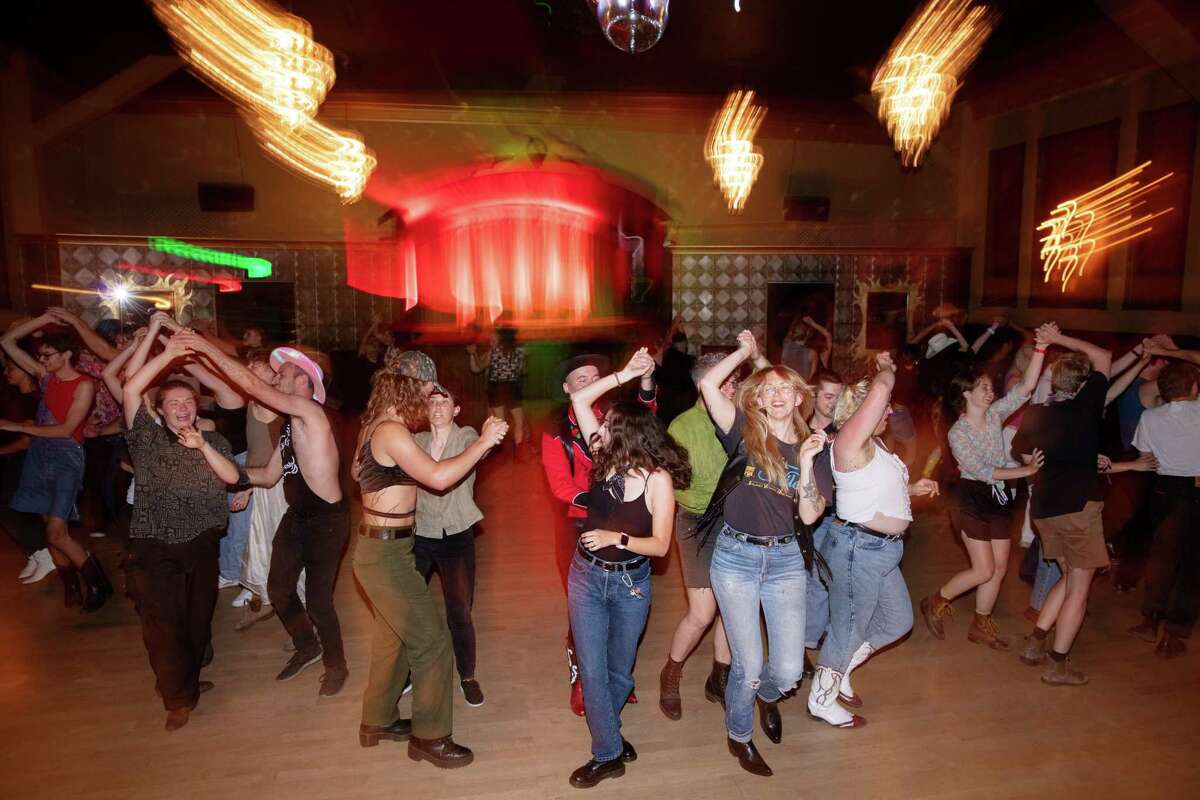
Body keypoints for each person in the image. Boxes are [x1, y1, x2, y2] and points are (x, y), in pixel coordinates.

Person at [174, 332, 351, 697]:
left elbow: (253, 385)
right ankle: (307, 646)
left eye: (283, 373)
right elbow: (268, 476)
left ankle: (337, 665)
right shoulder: (289, 425)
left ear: (303, 379)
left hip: (326, 521)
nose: (276, 378)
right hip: (297, 516)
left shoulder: (311, 413)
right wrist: (213, 457)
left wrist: (202, 346)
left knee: (318, 601)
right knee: (278, 589)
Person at [352, 370, 506, 768]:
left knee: (392, 640)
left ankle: (378, 720)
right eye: (423, 396)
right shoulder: (393, 431)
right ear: (406, 396)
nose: (429, 405)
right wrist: (488, 440)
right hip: (386, 556)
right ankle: (430, 737)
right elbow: (438, 479)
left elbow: (357, 472)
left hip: (388, 547)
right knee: (433, 642)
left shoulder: (374, 427)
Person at [697, 331, 827, 777]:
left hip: (786, 562)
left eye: (784, 387)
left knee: (788, 671)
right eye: (767, 387)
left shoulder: (812, 447)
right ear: (757, 397)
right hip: (735, 558)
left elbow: (809, 516)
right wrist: (746, 353)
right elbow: (709, 387)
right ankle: (739, 737)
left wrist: (807, 465)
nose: (775, 394)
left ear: (797, 398)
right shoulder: (742, 431)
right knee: (748, 665)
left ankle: (768, 697)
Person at [566, 347, 689, 788]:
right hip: (585, 578)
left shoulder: (659, 481)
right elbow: (580, 402)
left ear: (629, 435)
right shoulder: (604, 457)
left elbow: (659, 546)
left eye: (610, 426)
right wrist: (627, 373)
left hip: (630, 585)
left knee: (619, 670)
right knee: (593, 669)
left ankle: (610, 735)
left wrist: (616, 538)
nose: (599, 429)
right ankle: (608, 753)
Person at [807, 351, 938, 729]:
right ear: (863, 408)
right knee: (848, 629)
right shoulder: (847, 441)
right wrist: (885, 369)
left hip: (882, 551)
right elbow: (881, 388)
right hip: (857, 551)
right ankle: (822, 698)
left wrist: (911, 488)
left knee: (898, 622)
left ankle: (841, 668)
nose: (889, 414)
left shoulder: (875, 445)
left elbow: (869, 491)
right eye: (883, 409)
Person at [121, 334, 242, 731]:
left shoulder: (213, 440)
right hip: (156, 545)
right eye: (173, 403)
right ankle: (177, 697)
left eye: (188, 402)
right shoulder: (146, 438)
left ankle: (182, 680)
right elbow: (131, 386)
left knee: (196, 618)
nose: (182, 408)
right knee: (163, 620)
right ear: (159, 411)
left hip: (203, 541)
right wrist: (168, 353)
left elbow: (230, 478)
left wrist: (202, 447)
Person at [921, 323, 1053, 649]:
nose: (990, 390)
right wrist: (1026, 471)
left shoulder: (995, 415)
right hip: (971, 500)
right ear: (966, 394)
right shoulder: (957, 433)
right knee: (983, 570)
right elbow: (983, 471)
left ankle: (981, 623)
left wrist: (1041, 347)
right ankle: (935, 600)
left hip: (1000, 498)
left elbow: (1027, 387)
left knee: (999, 567)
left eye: (989, 386)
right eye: (982, 387)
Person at [541, 352, 657, 715]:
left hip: (621, 526)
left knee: (622, 605)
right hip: (578, 523)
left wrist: (646, 379)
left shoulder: (613, 421)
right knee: (583, 608)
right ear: (567, 388)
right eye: (581, 379)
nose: (590, 383)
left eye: (595, 376)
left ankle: (615, 677)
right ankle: (582, 678)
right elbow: (559, 486)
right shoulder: (556, 431)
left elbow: (648, 426)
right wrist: (603, 501)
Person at [659, 351, 763, 721]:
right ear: (714, 384)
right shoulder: (682, 427)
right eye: (733, 380)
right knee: (702, 613)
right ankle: (671, 671)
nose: (739, 386)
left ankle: (718, 676)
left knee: (732, 606)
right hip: (696, 522)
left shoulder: (744, 418)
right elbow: (676, 485)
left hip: (737, 520)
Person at [1011, 329, 1113, 685]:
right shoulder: (1086, 406)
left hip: (1044, 509)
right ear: (1084, 385)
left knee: (1069, 575)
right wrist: (1060, 337)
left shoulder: (1037, 413)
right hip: (1077, 508)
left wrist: (1062, 460)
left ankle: (1034, 643)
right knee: (1080, 587)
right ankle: (1057, 663)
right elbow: (1104, 356)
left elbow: (1024, 454)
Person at [1, 315, 109, 611]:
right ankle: (71, 583)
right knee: (48, 526)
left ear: (67, 355)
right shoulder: (45, 377)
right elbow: (6, 342)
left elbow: (65, 429)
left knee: (55, 532)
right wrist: (44, 318)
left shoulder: (84, 384)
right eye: (40, 356)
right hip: (40, 458)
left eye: (48, 355)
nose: (42, 360)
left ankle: (99, 583)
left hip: (66, 459)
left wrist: (18, 426)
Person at [413, 382, 488, 707]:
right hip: (419, 533)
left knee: (459, 611)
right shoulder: (415, 441)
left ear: (456, 410)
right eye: (433, 401)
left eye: (446, 401)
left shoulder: (467, 436)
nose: (439, 406)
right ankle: (406, 672)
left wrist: (488, 438)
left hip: (456, 535)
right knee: (409, 607)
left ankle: (467, 676)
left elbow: (477, 452)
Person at [1128, 345, 1200, 658]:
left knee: (1161, 559)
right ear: (1194, 387)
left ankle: (1149, 621)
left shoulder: (1150, 417)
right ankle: (1175, 633)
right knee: (1192, 567)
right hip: (1196, 491)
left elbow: (1145, 459)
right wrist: (1174, 350)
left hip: (1165, 490)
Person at [1, 356, 50, 583]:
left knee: (11, 509)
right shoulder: (17, 398)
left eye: (11, 368)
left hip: (25, 462)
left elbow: (27, 440)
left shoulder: (30, 400)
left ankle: (43, 553)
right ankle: (35, 553)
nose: (6, 372)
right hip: (17, 462)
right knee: (15, 509)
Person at [468, 327, 527, 457]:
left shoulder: (494, 351)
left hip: (497, 387)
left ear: (500, 338)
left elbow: (481, 365)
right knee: (519, 422)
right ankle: (519, 453)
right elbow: (523, 370)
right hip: (512, 386)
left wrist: (474, 354)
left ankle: (496, 451)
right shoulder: (520, 351)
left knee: (499, 422)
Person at [780, 315, 831, 383]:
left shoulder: (786, 349)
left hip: (793, 386)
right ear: (809, 334)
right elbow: (828, 335)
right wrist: (813, 324)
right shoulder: (813, 353)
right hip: (808, 389)